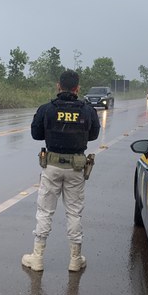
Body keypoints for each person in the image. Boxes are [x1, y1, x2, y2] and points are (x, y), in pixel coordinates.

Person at [22, 69, 100, 273]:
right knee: (74, 212)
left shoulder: (47, 109)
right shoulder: (87, 110)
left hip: (52, 166)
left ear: (59, 86)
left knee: (45, 211)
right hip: (76, 167)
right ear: (77, 88)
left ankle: (37, 258)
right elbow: (93, 135)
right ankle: (75, 259)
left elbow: (36, 134)